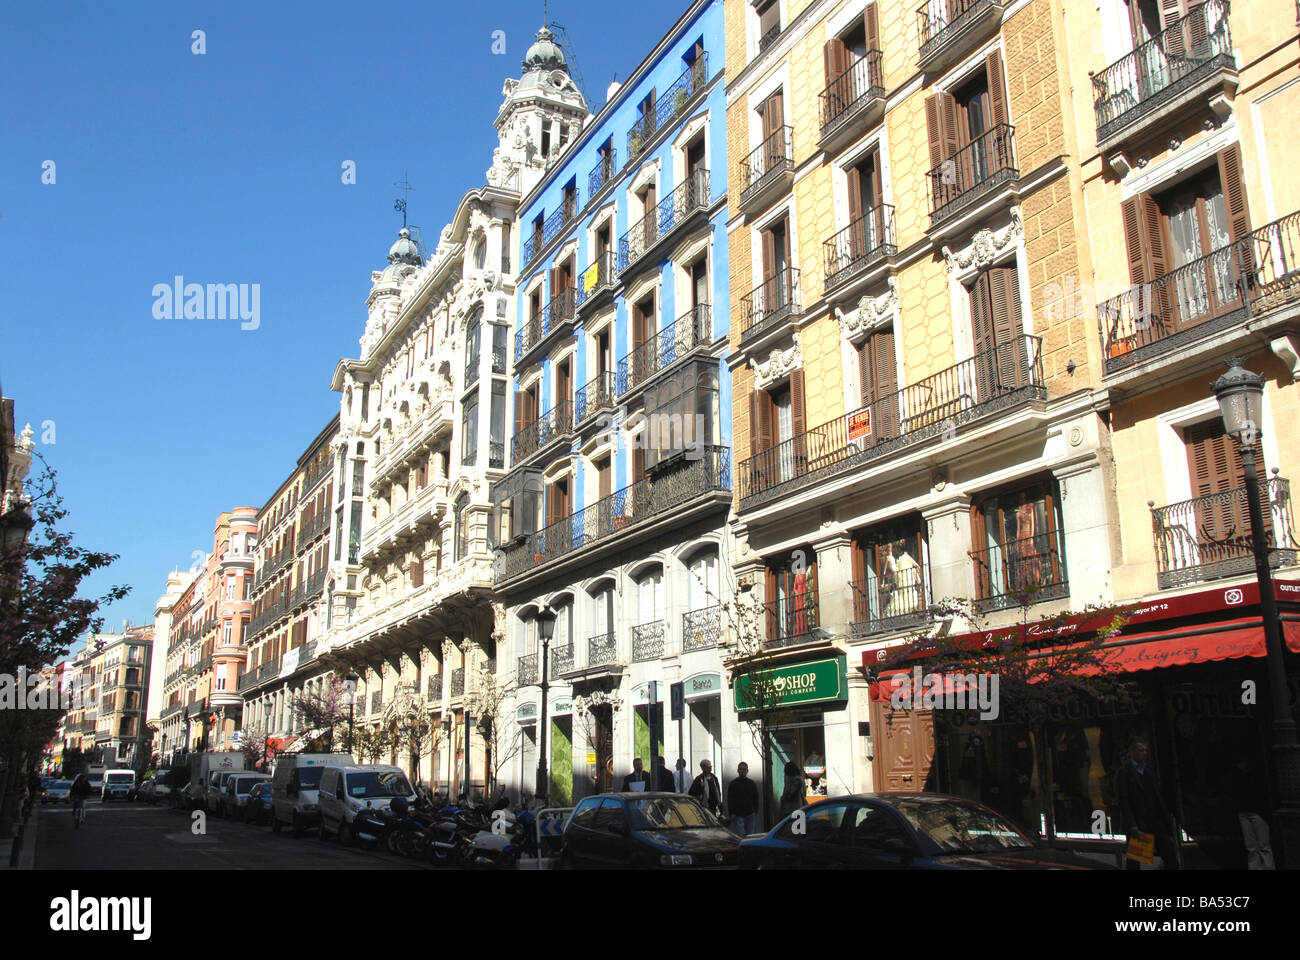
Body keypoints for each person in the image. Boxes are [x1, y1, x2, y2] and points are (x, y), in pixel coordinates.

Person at [1116, 738, 1180, 870]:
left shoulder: (1149, 770)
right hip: (1140, 822)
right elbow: (1124, 799)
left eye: (1145, 750)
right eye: (1141, 750)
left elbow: (1157, 796)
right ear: (1132, 752)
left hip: (1155, 820)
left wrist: (1165, 818)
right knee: (1136, 860)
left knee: (1169, 855)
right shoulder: (1124, 772)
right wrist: (1132, 824)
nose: (1144, 753)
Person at [1231, 755, 1274, 870]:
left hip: (1256, 812)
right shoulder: (1238, 777)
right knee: (1252, 847)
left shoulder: (1255, 777)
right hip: (1245, 812)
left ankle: (1267, 867)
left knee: (1262, 845)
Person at [727, 762, 759, 835]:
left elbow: (755, 797)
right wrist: (732, 812)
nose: (742, 771)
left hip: (750, 814)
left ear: (747, 771)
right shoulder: (733, 783)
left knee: (750, 835)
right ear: (737, 770)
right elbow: (730, 799)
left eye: (744, 769)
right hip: (738, 815)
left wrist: (755, 811)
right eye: (740, 769)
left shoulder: (751, 783)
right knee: (741, 836)